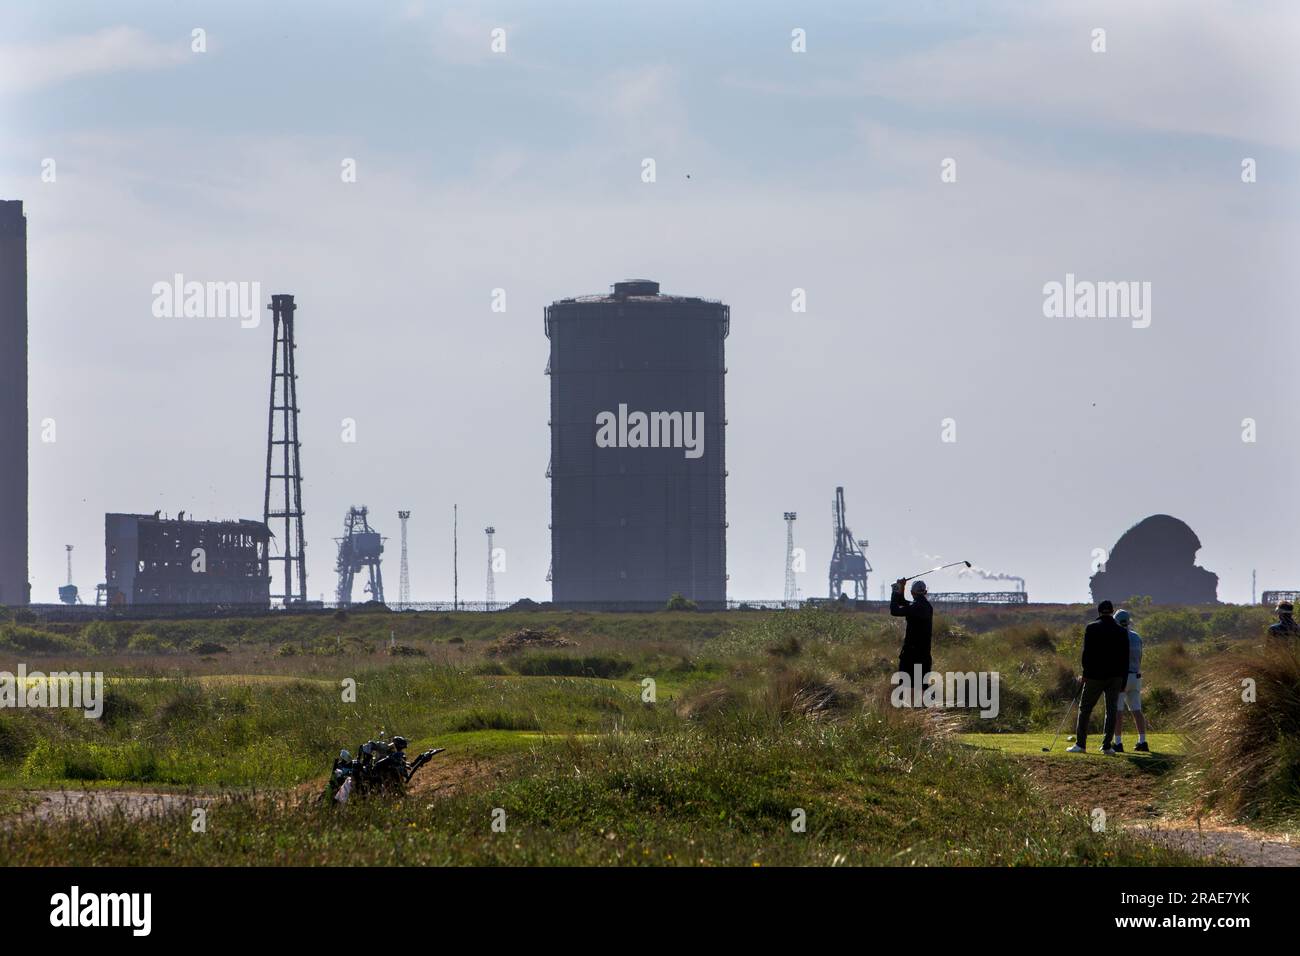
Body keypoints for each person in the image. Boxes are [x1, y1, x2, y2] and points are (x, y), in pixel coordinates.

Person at [1066, 600, 1129, 755]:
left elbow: (1087, 654)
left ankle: (1081, 744)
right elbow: (1125, 658)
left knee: (1085, 709)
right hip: (1116, 676)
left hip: (1095, 676)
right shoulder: (1121, 631)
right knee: (1111, 710)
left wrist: (1085, 674)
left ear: (1099, 612)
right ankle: (1107, 746)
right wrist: (1124, 681)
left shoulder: (1092, 628)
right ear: (1111, 612)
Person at [1111, 609, 1148, 753]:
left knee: (1117, 711)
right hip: (1136, 676)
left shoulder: (1115, 637)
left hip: (1121, 678)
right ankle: (1142, 741)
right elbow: (1140, 658)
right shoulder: (1136, 637)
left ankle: (1118, 743)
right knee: (1137, 710)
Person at [891, 577, 934, 697]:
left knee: (904, 688)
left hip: (911, 655)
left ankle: (906, 713)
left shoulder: (914, 607)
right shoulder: (926, 606)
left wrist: (895, 589)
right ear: (925, 592)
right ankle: (926, 713)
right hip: (924, 655)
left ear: (912, 592)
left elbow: (894, 610)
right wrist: (902, 587)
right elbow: (903, 602)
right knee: (922, 688)